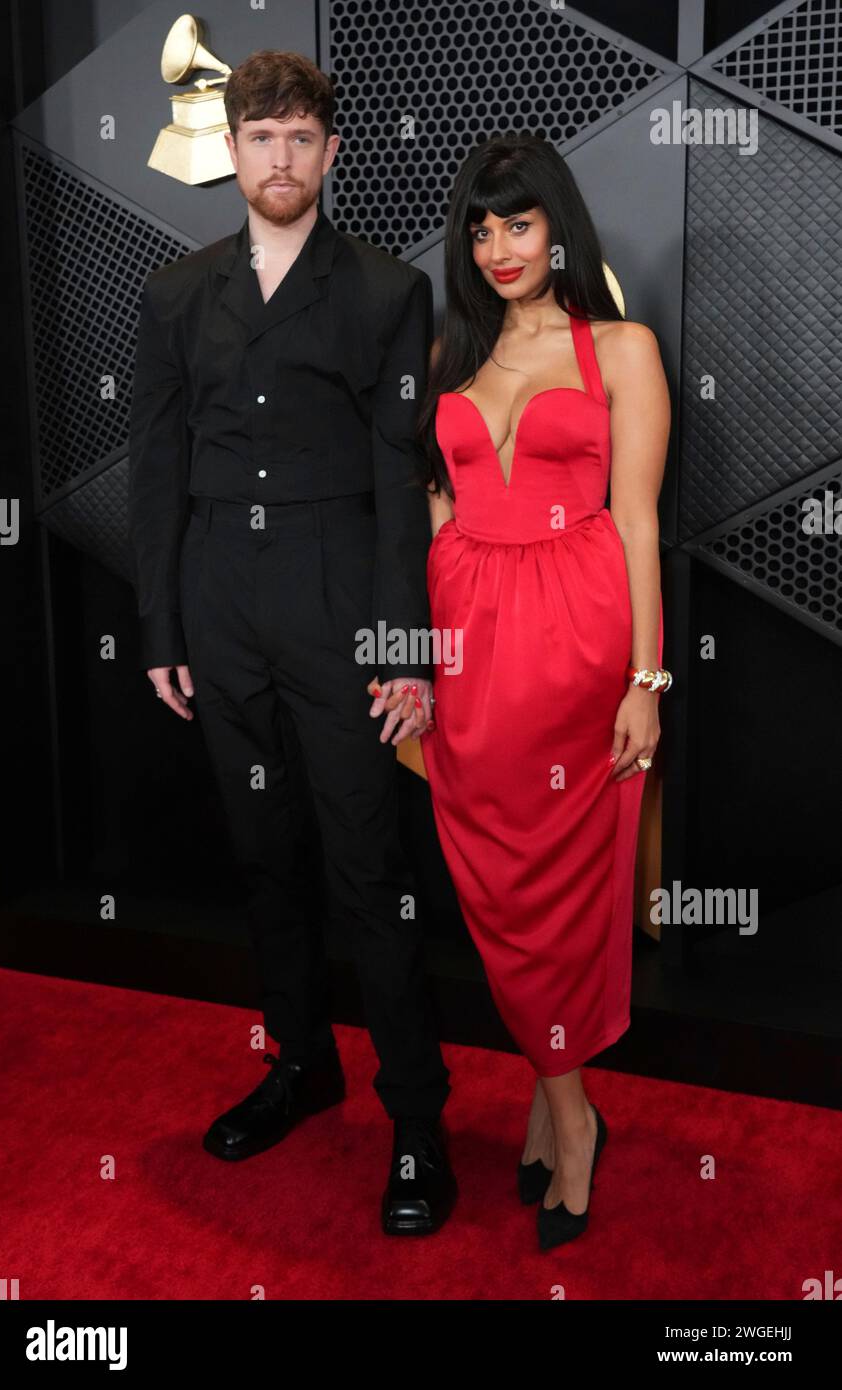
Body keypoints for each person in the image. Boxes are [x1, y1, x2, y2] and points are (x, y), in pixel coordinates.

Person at [127, 49, 457, 1236]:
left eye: (298, 137)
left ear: (330, 153)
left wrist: (399, 646)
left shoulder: (383, 291)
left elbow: (392, 476)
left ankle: (415, 1119)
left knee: (368, 870)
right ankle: (298, 1067)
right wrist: (162, 622)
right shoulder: (176, 294)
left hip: (336, 603)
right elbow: (158, 467)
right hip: (217, 598)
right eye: (258, 136)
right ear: (230, 152)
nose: (278, 156)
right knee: (265, 858)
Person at [409, 133, 671, 1250]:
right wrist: (432, 659)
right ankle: (556, 1091)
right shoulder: (447, 356)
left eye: (516, 222)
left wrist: (645, 679)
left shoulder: (619, 347)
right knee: (497, 891)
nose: (498, 247)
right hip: (475, 652)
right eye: (479, 227)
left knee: (563, 891)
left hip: (577, 649)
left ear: (555, 224)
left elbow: (638, 519)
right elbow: (435, 513)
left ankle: (569, 1119)